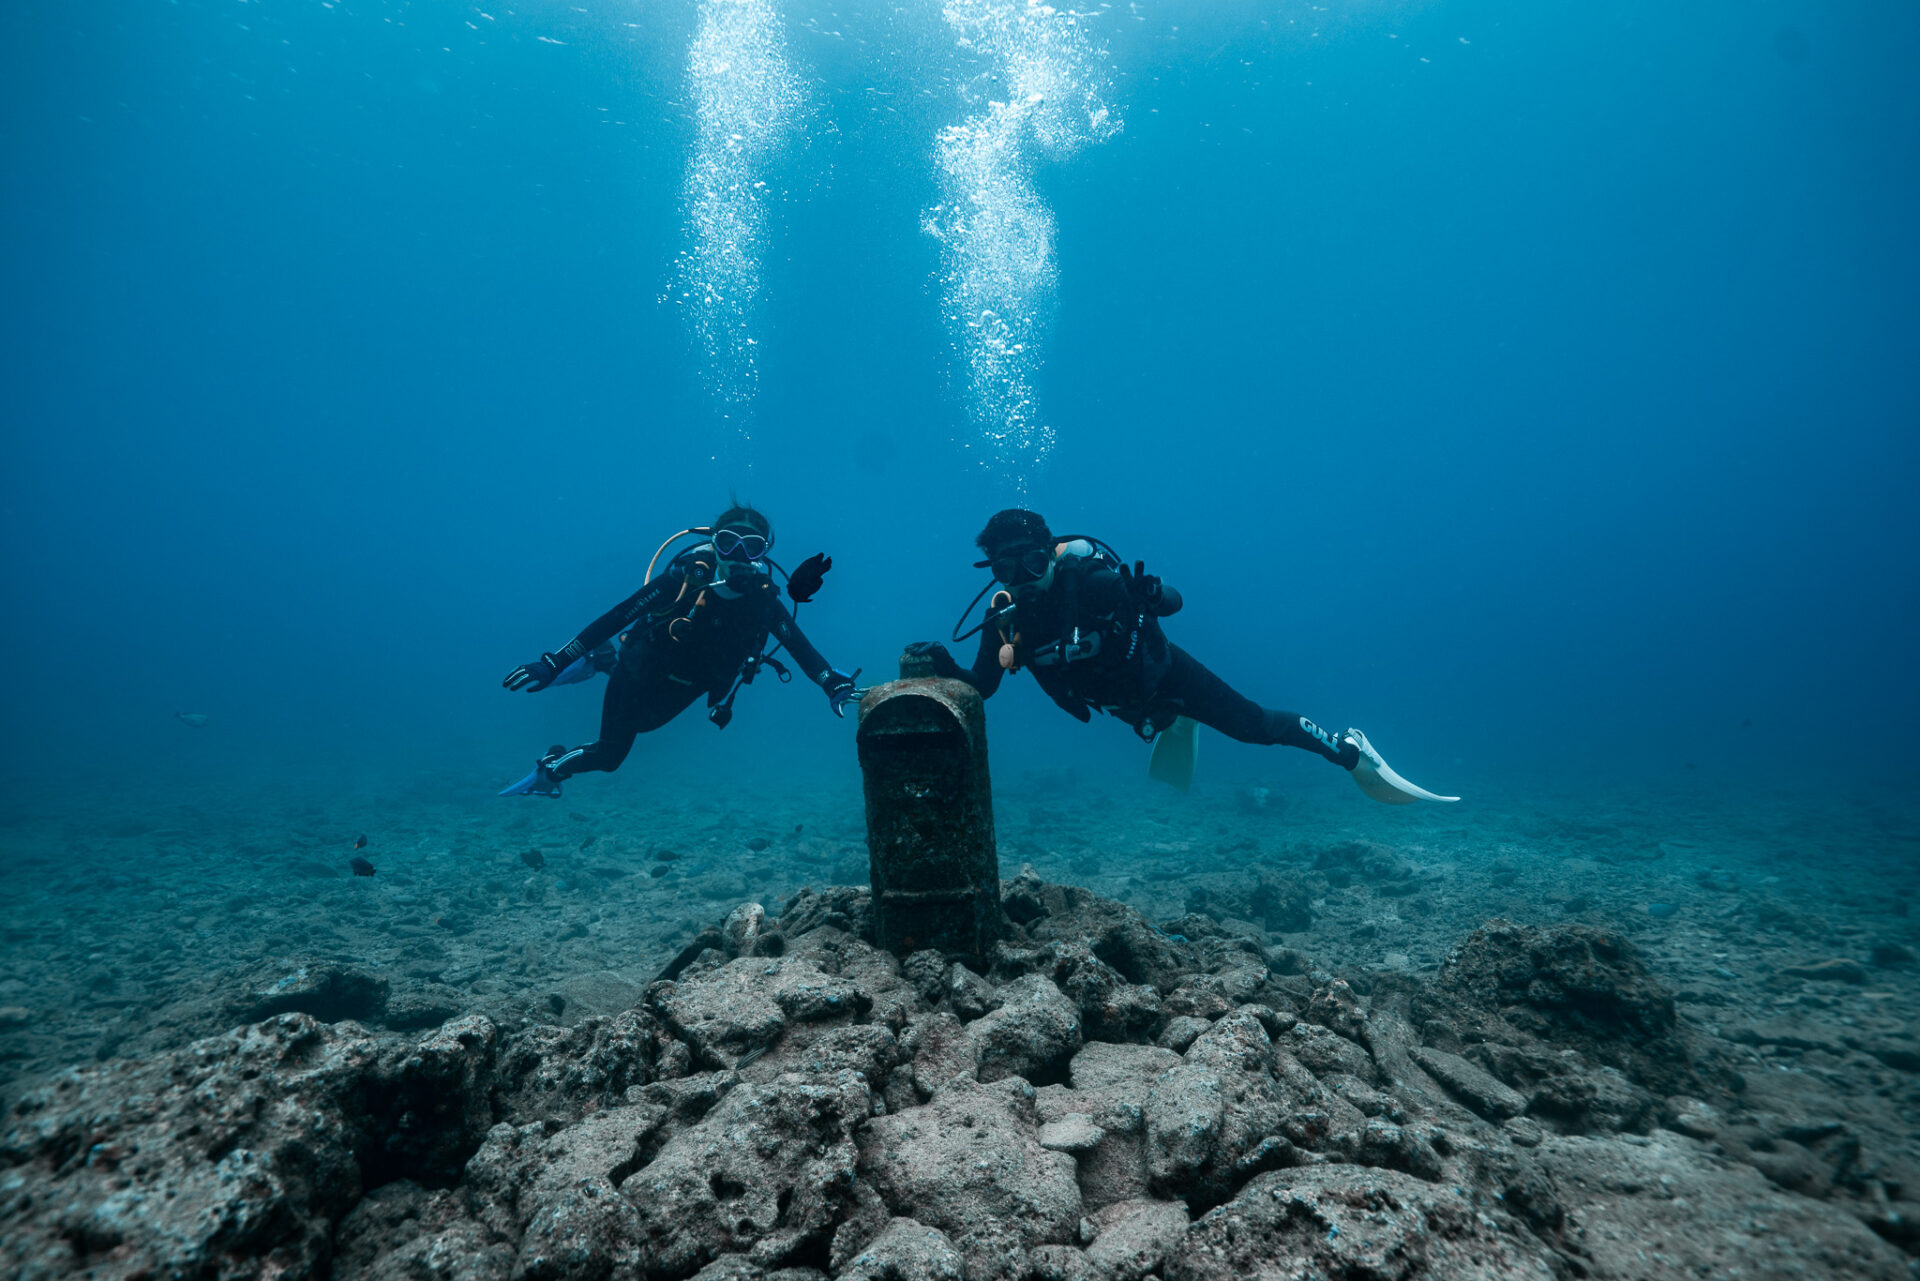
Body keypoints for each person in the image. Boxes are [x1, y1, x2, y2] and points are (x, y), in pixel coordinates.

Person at [907, 509, 1456, 803]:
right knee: (1163, 720)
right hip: (1129, 705)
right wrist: (946, 668)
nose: (1020, 582)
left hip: (1168, 675)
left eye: (1029, 564)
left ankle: (1347, 749)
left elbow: (1173, 602)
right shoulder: (1006, 619)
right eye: (1005, 571)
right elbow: (982, 686)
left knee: (1255, 727)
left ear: (1048, 553)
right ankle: (1169, 723)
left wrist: (1149, 595)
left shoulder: (1094, 581)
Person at [498, 504, 860, 797]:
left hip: (693, 683)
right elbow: (617, 617)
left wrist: (831, 683)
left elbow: (798, 645)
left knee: (646, 725)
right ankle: (550, 768)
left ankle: (600, 660)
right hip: (639, 668)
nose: (736, 554)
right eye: (728, 542)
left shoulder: (761, 600)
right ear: (714, 543)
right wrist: (554, 662)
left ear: (761, 553)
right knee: (610, 756)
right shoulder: (682, 580)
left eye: (750, 546)